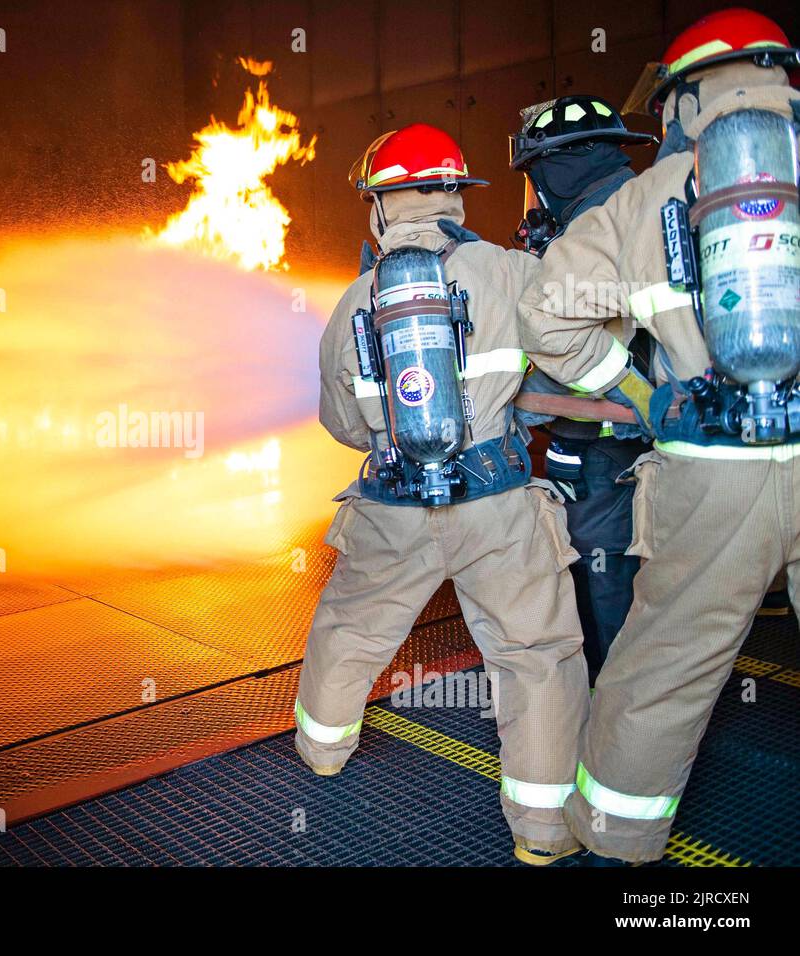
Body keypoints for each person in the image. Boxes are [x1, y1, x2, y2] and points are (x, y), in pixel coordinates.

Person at [517, 7, 800, 863]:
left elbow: (544, 315)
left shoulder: (643, 204)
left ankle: (616, 839)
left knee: (662, 670)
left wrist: (642, 393)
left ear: (681, 101)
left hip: (714, 469)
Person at [295, 123, 590, 865]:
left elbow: (340, 423)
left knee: (351, 632)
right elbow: (566, 367)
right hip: (497, 501)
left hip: (394, 506)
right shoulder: (513, 272)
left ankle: (322, 754)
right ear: (456, 192)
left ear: (379, 205)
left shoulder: (354, 301)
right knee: (533, 656)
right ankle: (543, 832)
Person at [509, 95, 658, 681]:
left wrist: (509, 393)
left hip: (606, 449)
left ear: (556, 167)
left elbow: (556, 336)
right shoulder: (644, 204)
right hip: (647, 443)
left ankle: (612, 713)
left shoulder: (593, 229)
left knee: (604, 583)